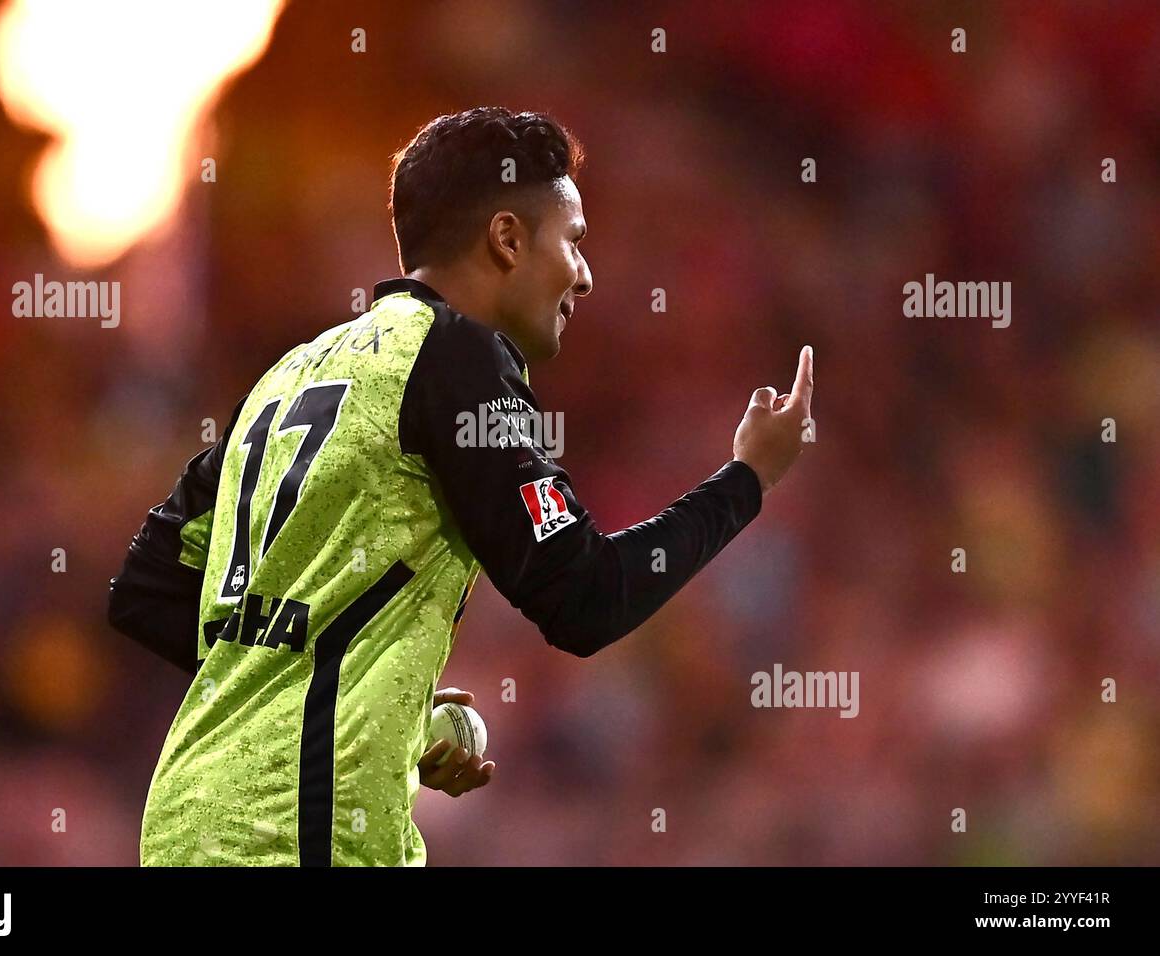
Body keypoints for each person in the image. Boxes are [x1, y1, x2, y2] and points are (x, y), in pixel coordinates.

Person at [108, 106, 814, 866]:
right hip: (305, 832)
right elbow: (583, 598)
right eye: (572, 241)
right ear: (508, 239)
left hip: (187, 821)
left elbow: (148, 589)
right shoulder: (458, 360)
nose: (584, 273)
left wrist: (381, 710)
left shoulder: (294, 370)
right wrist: (746, 481)